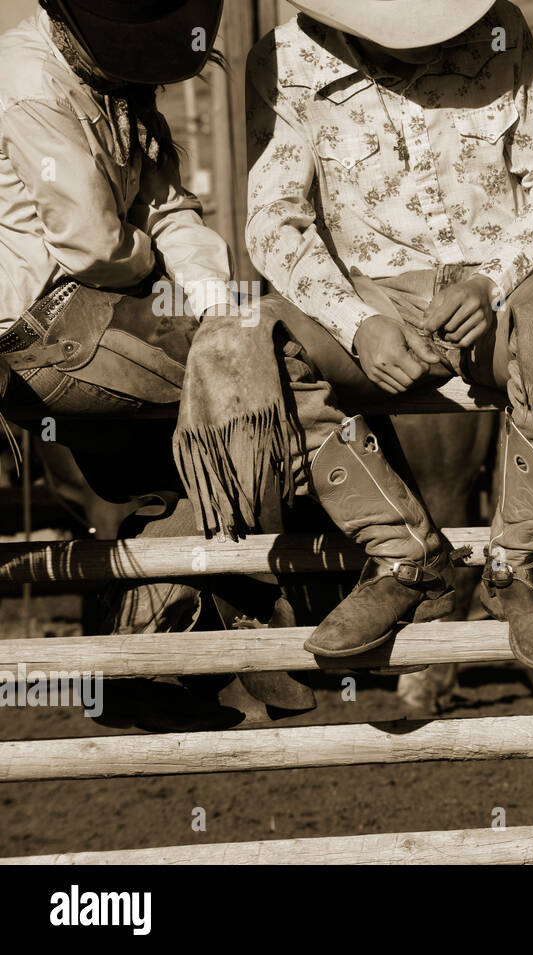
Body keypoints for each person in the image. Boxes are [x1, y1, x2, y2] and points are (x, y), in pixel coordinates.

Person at [179, 0, 533, 670]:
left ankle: (518, 565)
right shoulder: (286, 60)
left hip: (501, 289)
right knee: (230, 342)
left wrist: (492, 282)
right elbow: (275, 221)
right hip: (366, 294)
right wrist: (355, 320)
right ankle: (402, 553)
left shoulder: (511, 36)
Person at [0, 0, 256, 730]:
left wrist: (211, 301)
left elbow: (171, 204)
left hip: (107, 301)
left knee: (242, 350)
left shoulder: (111, 79)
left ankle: (149, 650)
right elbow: (94, 246)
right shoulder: (26, 82)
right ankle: (227, 621)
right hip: (40, 322)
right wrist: (163, 272)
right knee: (257, 382)